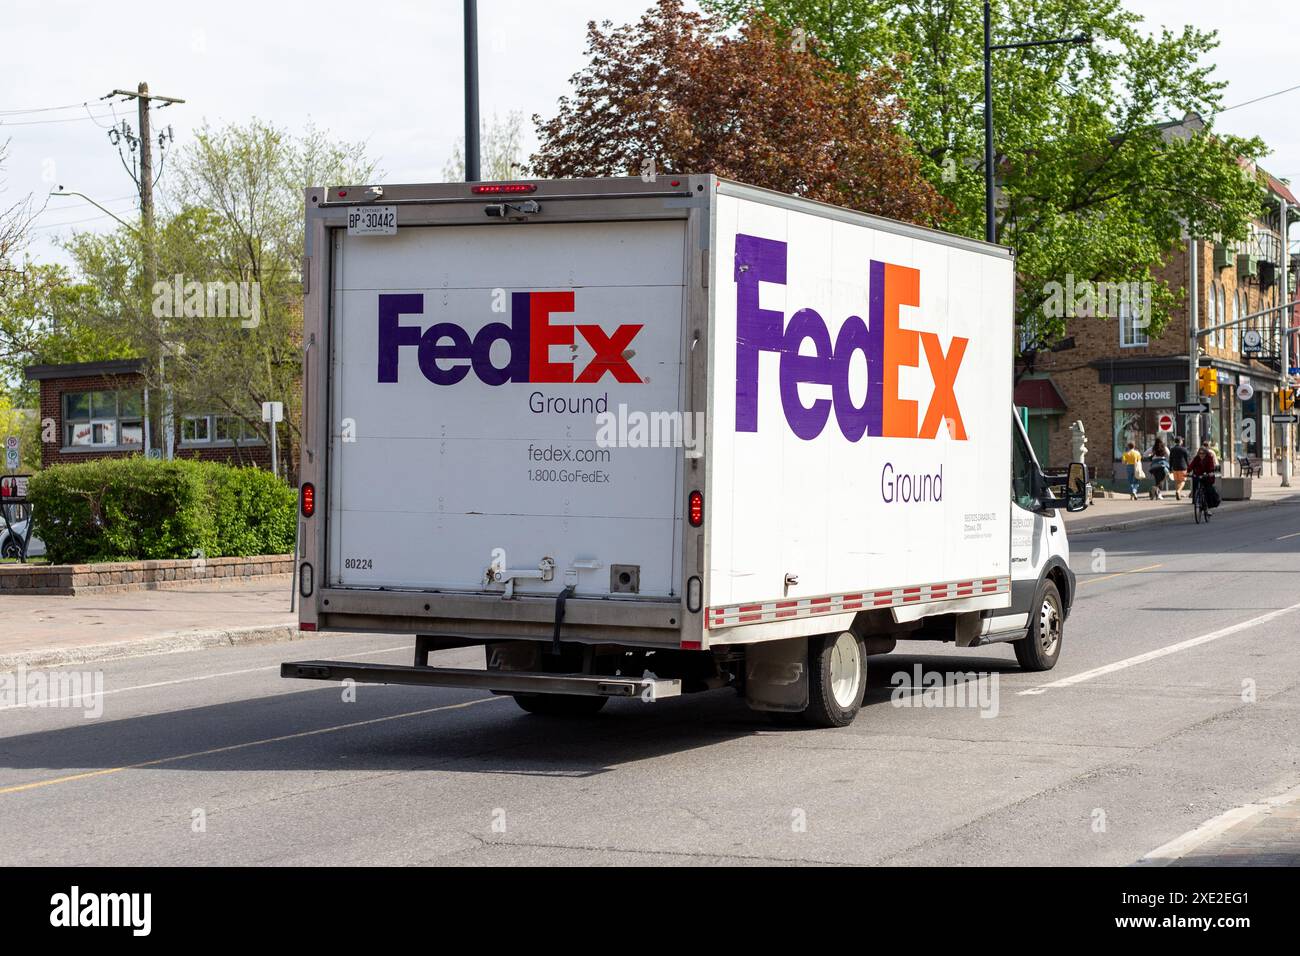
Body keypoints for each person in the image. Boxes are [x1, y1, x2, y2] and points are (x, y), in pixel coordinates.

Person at [1189, 441, 1219, 510]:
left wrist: (1210, 472)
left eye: (1203, 453)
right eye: (1200, 453)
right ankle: (1196, 500)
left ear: (1206, 453)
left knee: (1208, 490)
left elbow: (1211, 466)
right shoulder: (1197, 458)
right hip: (1199, 475)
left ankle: (1208, 507)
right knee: (1196, 485)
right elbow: (1192, 465)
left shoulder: (1209, 458)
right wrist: (1188, 471)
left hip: (1207, 476)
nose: (1201, 455)